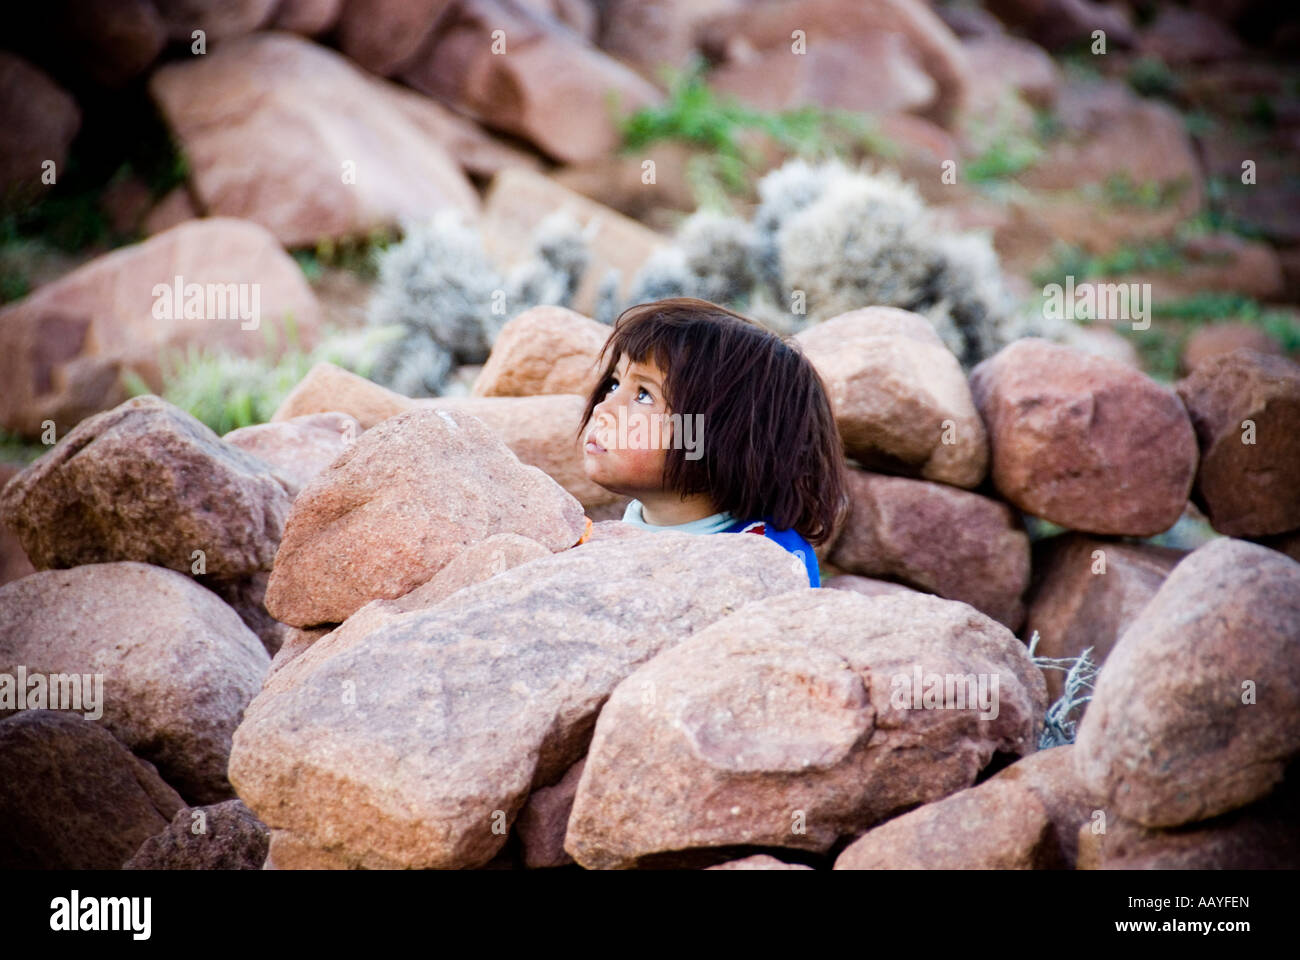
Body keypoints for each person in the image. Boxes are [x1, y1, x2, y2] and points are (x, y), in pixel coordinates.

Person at [576, 297, 848, 586]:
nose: (601, 408)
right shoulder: (595, 540)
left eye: (644, 394)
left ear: (724, 437)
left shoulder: (765, 563)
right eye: (614, 384)